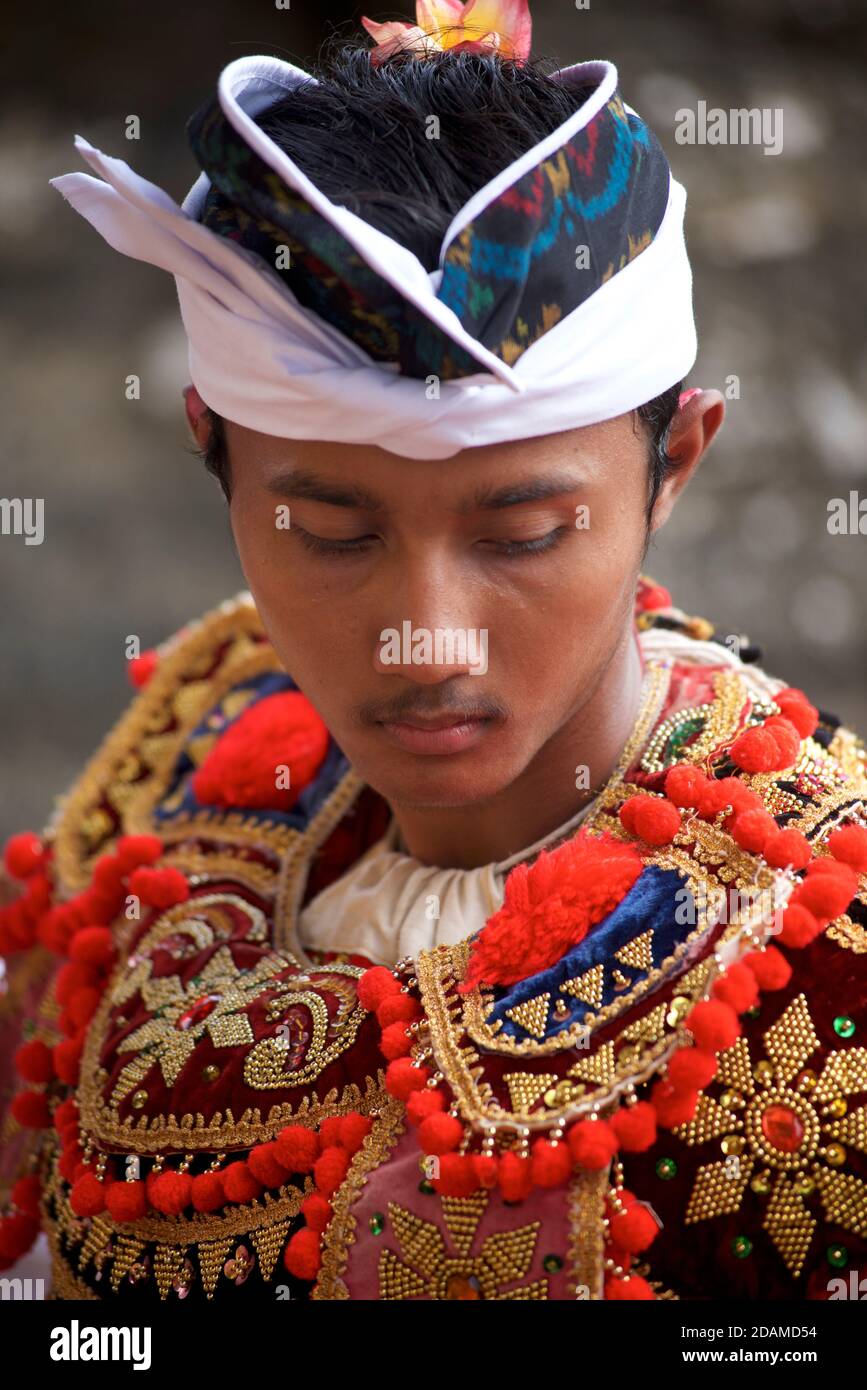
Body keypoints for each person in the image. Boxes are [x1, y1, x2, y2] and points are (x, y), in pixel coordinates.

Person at [2, 0, 866, 1302]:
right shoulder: (188, 745)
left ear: (674, 463)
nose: (425, 633)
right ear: (210, 453)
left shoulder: (827, 968)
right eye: (331, 532)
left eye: (521, 533)